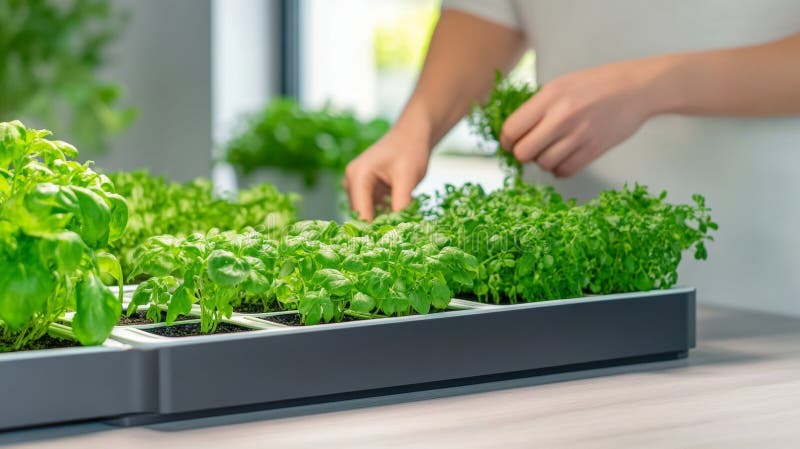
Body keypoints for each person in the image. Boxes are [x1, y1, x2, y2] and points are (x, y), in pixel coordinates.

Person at [344, 0, 800, 221]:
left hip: (765, 272)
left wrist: (650, 86)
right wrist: (416, 126)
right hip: (569, 250)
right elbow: (490, 12)